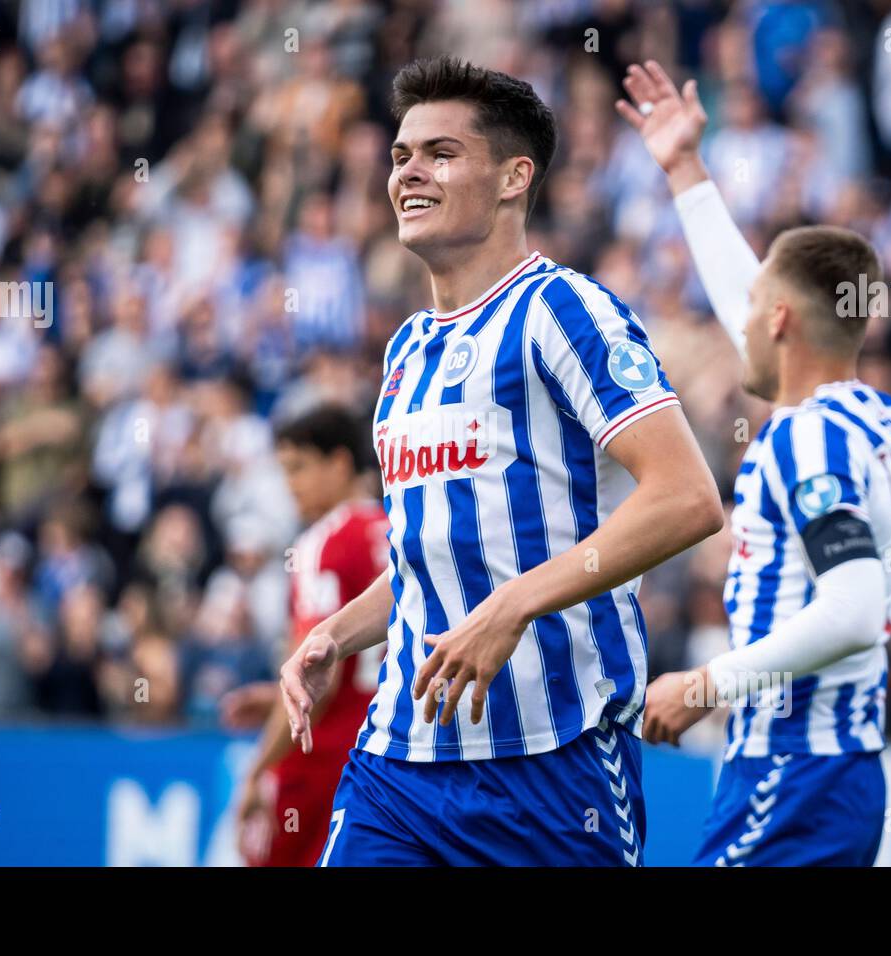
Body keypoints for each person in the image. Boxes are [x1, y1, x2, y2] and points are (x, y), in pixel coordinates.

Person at [281, 56, 724, 867]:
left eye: (441, 153)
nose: (409, 172)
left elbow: (688, 498)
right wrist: (337, 637)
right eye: (400, 156)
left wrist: (514, 605)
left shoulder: (561, 310)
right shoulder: (406, 349)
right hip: (401, 769)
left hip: (553, 768)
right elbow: (432, 554)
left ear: (515, 177)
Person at [617, 60, 891, 865]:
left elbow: (852, 608)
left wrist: (704, 684)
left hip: (797, 769)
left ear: (779, 321)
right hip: (826, 765)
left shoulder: (809, 438)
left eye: (752, 312)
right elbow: (753, 289)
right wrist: (685, 170)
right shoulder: (857, 414)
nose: (736, 321)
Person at [230, 405, 388, 867]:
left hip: (321, 756)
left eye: (297, 468)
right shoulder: (400, 532)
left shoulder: (322, 543)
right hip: (385, 752)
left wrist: (256, 770)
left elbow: (319, 682)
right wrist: (272, 694)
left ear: (339, 463)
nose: (289, 484)